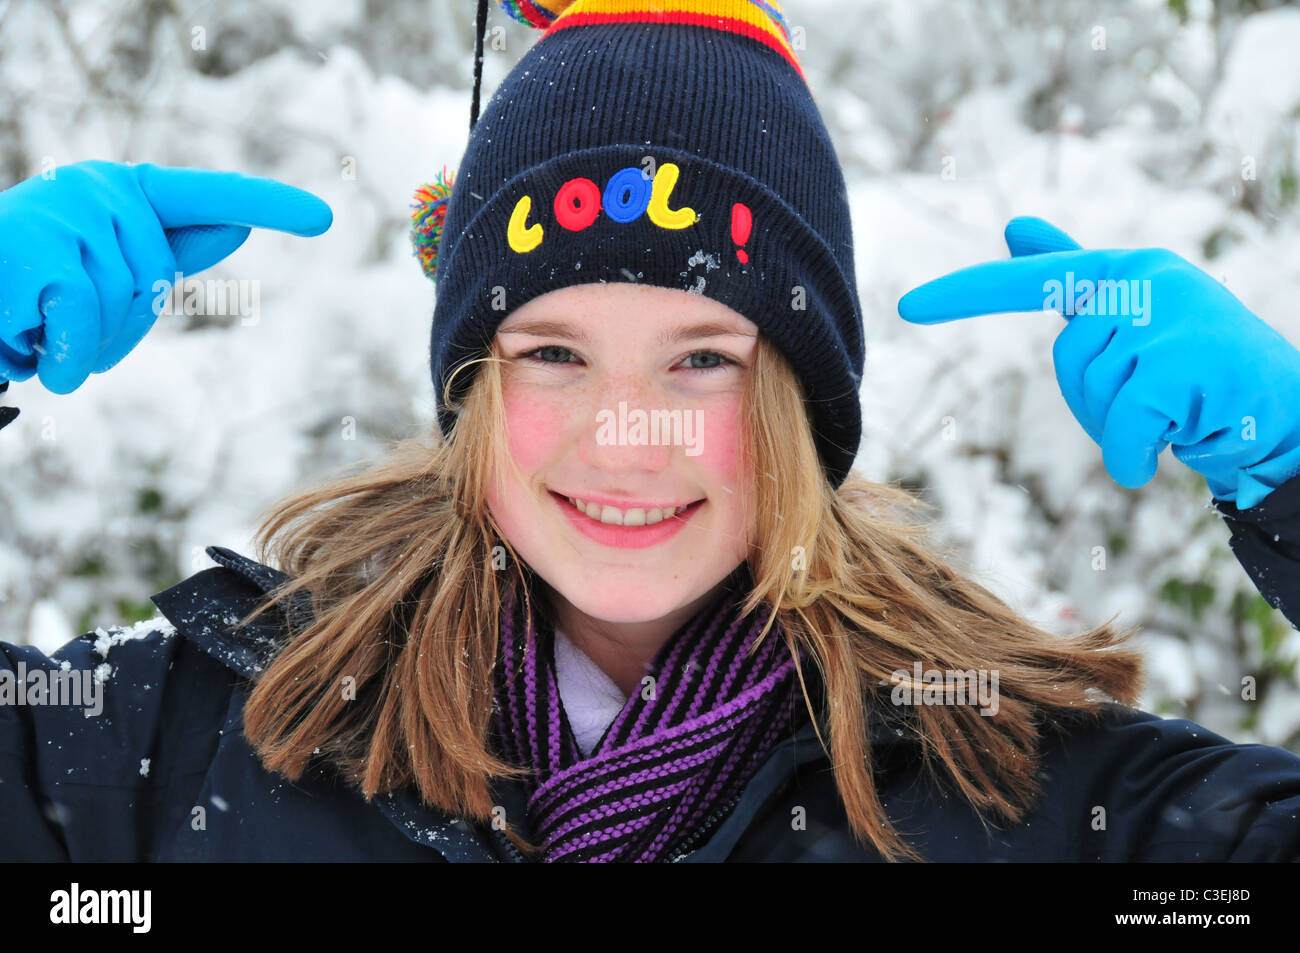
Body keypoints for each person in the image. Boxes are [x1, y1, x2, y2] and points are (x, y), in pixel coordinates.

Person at [2, 0, 1299, 863]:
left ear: (801, 399)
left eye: (701, 361)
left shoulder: (1015, 790)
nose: (623, 435)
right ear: (470, 391)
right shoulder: (205, 737)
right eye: (553, 353)